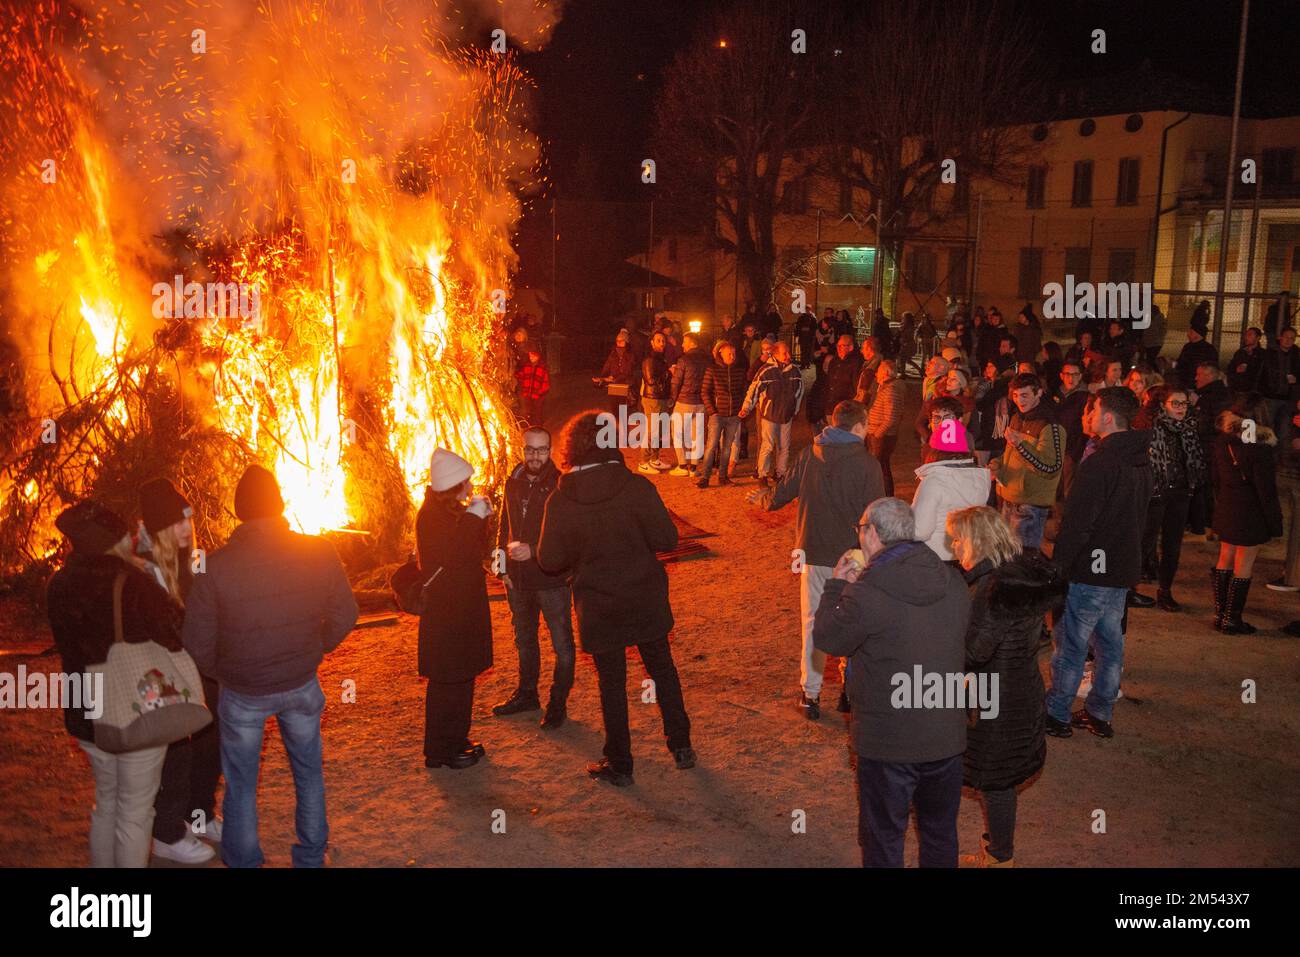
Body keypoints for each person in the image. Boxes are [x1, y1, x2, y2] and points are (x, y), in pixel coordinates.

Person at [183, 465, 358, 866]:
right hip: (300, 682)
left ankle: (244, 860)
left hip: (243, 692)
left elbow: (196, 643)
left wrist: (225, 670)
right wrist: (316, 646)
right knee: (309, 773)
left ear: (239, 510)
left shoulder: (214, 566)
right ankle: (311, 856)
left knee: (241, 784)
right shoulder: (317, 551)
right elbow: (346, 612)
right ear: (279, 503)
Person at [536, 411, 695, 786]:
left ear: (572, 447)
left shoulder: (561, 501)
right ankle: (682, 745)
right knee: (662, 671)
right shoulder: (636, 487)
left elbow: (549, 560)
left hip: (598, 603)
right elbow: (667, 540)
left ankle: (620, 762)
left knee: (612, 684)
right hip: (643, 596)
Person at [813, 497, 971, 867]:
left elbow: (829, 638)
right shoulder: (952, 580)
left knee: (883, 836)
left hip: (889, 742)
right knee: (939, 832)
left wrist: (837, 587)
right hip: (945, 735)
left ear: (871, 534)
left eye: (860, 529)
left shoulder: (866, 594)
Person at [47, 501, 185, 867]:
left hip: (85, 710)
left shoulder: (58, 583)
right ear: (116, 539)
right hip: (134, 708)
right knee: (135, 811)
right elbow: (175, 634)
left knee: (106, 801)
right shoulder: (133, 582)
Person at [947, 506, 1064, 867]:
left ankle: (999, 858)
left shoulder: (992, 590)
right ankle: (996, 850)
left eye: (959, 539)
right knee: (1002, 779)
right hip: (1020, 688)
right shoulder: (1017, 578)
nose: (954, 546)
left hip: (995, 699)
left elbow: (974, 651)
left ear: (977, 541)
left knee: (995, 781)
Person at [763, 401, 885, 719]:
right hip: (852, 554)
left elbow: (782, 491)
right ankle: (849, 689)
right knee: (856, 620)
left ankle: (810, 694)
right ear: (859, 427)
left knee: (814, 622)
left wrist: (765, 500)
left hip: (813, 552)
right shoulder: (868, 464)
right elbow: (876, 514)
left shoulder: (809, 454)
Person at [1045, 388, 1151, 739]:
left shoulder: (1101, 463)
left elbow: (1079, 524)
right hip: (1119, 567)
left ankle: (1057, 713)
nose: (1086, 415)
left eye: (1091, 409)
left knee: (1072, 644)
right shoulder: (1140, 459)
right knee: (1110, 644)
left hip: (1092, 569)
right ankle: (1100, 711)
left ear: (1107, 416)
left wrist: (1060, 565)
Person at [136, 478, 220, 865]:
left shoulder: (195, 560)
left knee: (209, 743)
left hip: (201, 668)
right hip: (166, 675)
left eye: (189, 518)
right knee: (176, 752)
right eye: (177, 522)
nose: (187, 528)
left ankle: (198, 815)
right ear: (159, 528)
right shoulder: (145, 570)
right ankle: (167, 831)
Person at [414, 450, 495, 769]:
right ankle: (438, 751)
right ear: (453, 484)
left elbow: (471, 551)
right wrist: (474, 517)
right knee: (447, 681)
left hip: (462, 609)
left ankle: (456, 739)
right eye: (466, 481)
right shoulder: (433, 517)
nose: (470, 485)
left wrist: (480, 518)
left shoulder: (447, 512)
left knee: (462, 678)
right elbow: (452, 554)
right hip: (447, 613)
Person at [493, 429, 575, 727]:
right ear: (523, 449)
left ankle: (558, 703)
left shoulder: (561, 485)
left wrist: (535, 551)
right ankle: (527, 694)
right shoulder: (513, 481)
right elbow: (503, 526)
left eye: (541, 450)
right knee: (525, 641)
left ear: (550, 450)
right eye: (530, 450)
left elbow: (570, 538)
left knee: (562, 645)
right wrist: (502, 568)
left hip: (552, 581)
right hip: (519, 581)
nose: (535, 456)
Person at [1210, 409, 1283, 633]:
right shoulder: (1258, 450)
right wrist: (1275, 523)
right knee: (1244, 563)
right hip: (1249, 512)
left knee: (1226, 557)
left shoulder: (1223, 444)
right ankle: (1232, 619)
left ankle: (1221, 614)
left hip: (1227, 507)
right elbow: (1266, 491)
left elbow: (1214, 478)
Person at [988, 373, 1064, 551]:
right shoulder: (1018, 418)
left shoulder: (1050, 426)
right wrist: (997, 465)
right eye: (1015, 395)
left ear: (1038, 393)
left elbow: (1050, 467)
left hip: (1029, 507)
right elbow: (1011, 454)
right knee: (1006, 557)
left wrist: (1021, 444)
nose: (1019, 400)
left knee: (1022, 563)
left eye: (1024, 395)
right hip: (1009, 500)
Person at [912, 421, 993, 563]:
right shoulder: (981, 479)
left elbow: (920, 531)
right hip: (968, 554)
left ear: (934, 449)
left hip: (936, 556)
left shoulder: (934, 480)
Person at [739, 341, 804, 487]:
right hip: (769, 414)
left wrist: (795, 409)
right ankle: (762, 474)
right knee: (767, 445)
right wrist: (747, 407)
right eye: (784, 353)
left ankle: (780, 473)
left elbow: (799, 392)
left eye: (788, 352)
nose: (788, 355)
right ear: (775, 355)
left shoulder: (794, 371)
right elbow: (754, 389)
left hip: (786, 415)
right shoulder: (766, 370)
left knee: (784, 446)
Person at [698, 339, 748, 487]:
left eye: (733, 354)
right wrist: (712, 411)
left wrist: (741, 409)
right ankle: (705, 477)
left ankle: (723, 476)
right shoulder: (712, 370)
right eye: (729, 354)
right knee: (711, 446)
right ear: (721, 353)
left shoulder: (739, 371)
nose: (732, 356)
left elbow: (742, 391)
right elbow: (705, 392)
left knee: (727, 448)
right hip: (718, 414)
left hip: (733, 415)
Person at [668, 333, 710, 477]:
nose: (682, 345)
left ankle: (682, 465)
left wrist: (673, 399)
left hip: (684, 401)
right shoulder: (708, 359)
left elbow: (676, 382)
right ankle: (693, 467)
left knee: (677, 432)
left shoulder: (684, 360)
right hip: (701, 402)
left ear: (692, 343)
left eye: (685, 342)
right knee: (696, 434)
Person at [866, 359, 905, 496]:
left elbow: (891, 417)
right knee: (881, 466)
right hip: (880, 434)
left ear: (886, 373)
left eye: (879, 371)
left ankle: (886, 495)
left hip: (882, 436)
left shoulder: (891, 390)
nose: (876, 374)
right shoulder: (885, 388)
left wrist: (877, 433)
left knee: (880, 467)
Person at [637, 331, 674, 473]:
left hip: (661, 398)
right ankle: (643, 461)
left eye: (663, 340)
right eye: (658, 340)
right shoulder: (649, 360)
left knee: (659, 430)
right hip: (652, 399)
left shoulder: (661, 359)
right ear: (652, 342)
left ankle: (654, 459)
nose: (661, 343)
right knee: (652, 430)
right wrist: (669, 373)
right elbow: (651, 380)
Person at [594, 329, 639, 427]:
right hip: (613, 388)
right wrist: (602, 378)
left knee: (623, 414)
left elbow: (628, 371)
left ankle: (623, 435)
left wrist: (615, 378)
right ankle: (616, 434)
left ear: (626, 342)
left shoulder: (631, 355)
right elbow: (607, 367)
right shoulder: (613, 354)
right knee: (614, 413)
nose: (619, 343)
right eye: (617, 341)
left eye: (621, 341)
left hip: (624, 387)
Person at [1176, 312, 1219, 382]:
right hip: (1188, 381)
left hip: (1198, 382)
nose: (1188, 334)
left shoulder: (1208, 350)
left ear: (1197, 335)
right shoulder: (1188, 346)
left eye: (1191, 332)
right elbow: (1180, 364)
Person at [515, 342, 550, 428]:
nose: (531, 358)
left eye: (533, 356)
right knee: (528, 410)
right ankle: (529, 426)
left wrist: (541, 392)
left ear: (537, 356)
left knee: (537, 411)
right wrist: (516, 374)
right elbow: (522, 376)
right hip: (528, 393)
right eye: (530, 356)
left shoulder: (542, 367)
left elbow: (546, 382)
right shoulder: (527, 366)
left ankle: (538, 426)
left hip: (538, 395)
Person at [825, 334, 863, 411]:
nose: (838, 349)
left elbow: (856, 386)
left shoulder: (856, 363)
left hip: (845, 406)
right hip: (831, 405)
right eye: (838, 346)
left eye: (842, 346)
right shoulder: (834, 361)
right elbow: (829, 381)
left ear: (851, 347)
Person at [1227, 327, 1265, 395]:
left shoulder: (1262, 354)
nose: (1246, 337)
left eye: (1250, 335)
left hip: (1253, 391)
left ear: (1258, 338)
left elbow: (1260, 371)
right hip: (1237, 388)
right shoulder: (1240, 352)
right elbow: (1230, 368)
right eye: (1246, 334)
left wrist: (1248, 364)